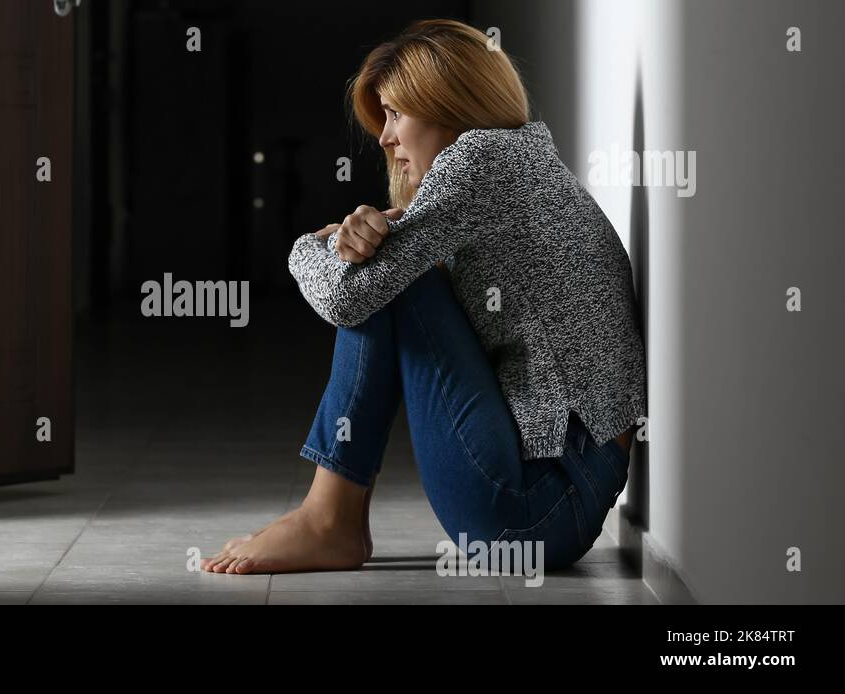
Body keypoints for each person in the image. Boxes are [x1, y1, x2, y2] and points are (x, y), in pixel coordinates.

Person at [201, 18, 647, 575]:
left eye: (394, 114)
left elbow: (348, 299)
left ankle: (329, 519)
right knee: (390, 276)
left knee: (392, 286)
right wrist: (370, 243)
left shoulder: (481, 160)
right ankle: (328, 519)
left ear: (450, 103)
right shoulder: (523, 162)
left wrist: (308, 246)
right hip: (561, 502)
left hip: (535, 511)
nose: (385, 138)